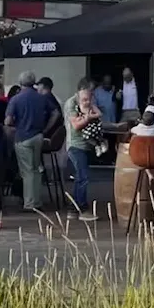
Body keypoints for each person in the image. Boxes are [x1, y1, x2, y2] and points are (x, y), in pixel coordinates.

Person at [5, 70, 49, 213]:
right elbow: (54, 113)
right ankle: (37, 201)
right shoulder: (41, 98)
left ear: (20, 83)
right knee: (36, 170)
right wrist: (46, 129)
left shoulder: (16, 99)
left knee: (27, 171)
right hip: (38, 136)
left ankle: (29, 203)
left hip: (23, 136)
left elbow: (8, 120)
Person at [65, 83, 102, 219]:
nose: (90, 98)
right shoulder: (71, 104)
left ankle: (73, 209)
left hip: (84, 144)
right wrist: (89, 118)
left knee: (80, 177)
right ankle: (82, 209)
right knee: (83, 177)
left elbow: (99, 114)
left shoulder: (89, 102)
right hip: (75, 145)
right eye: (89, 94)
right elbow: (75, 125)